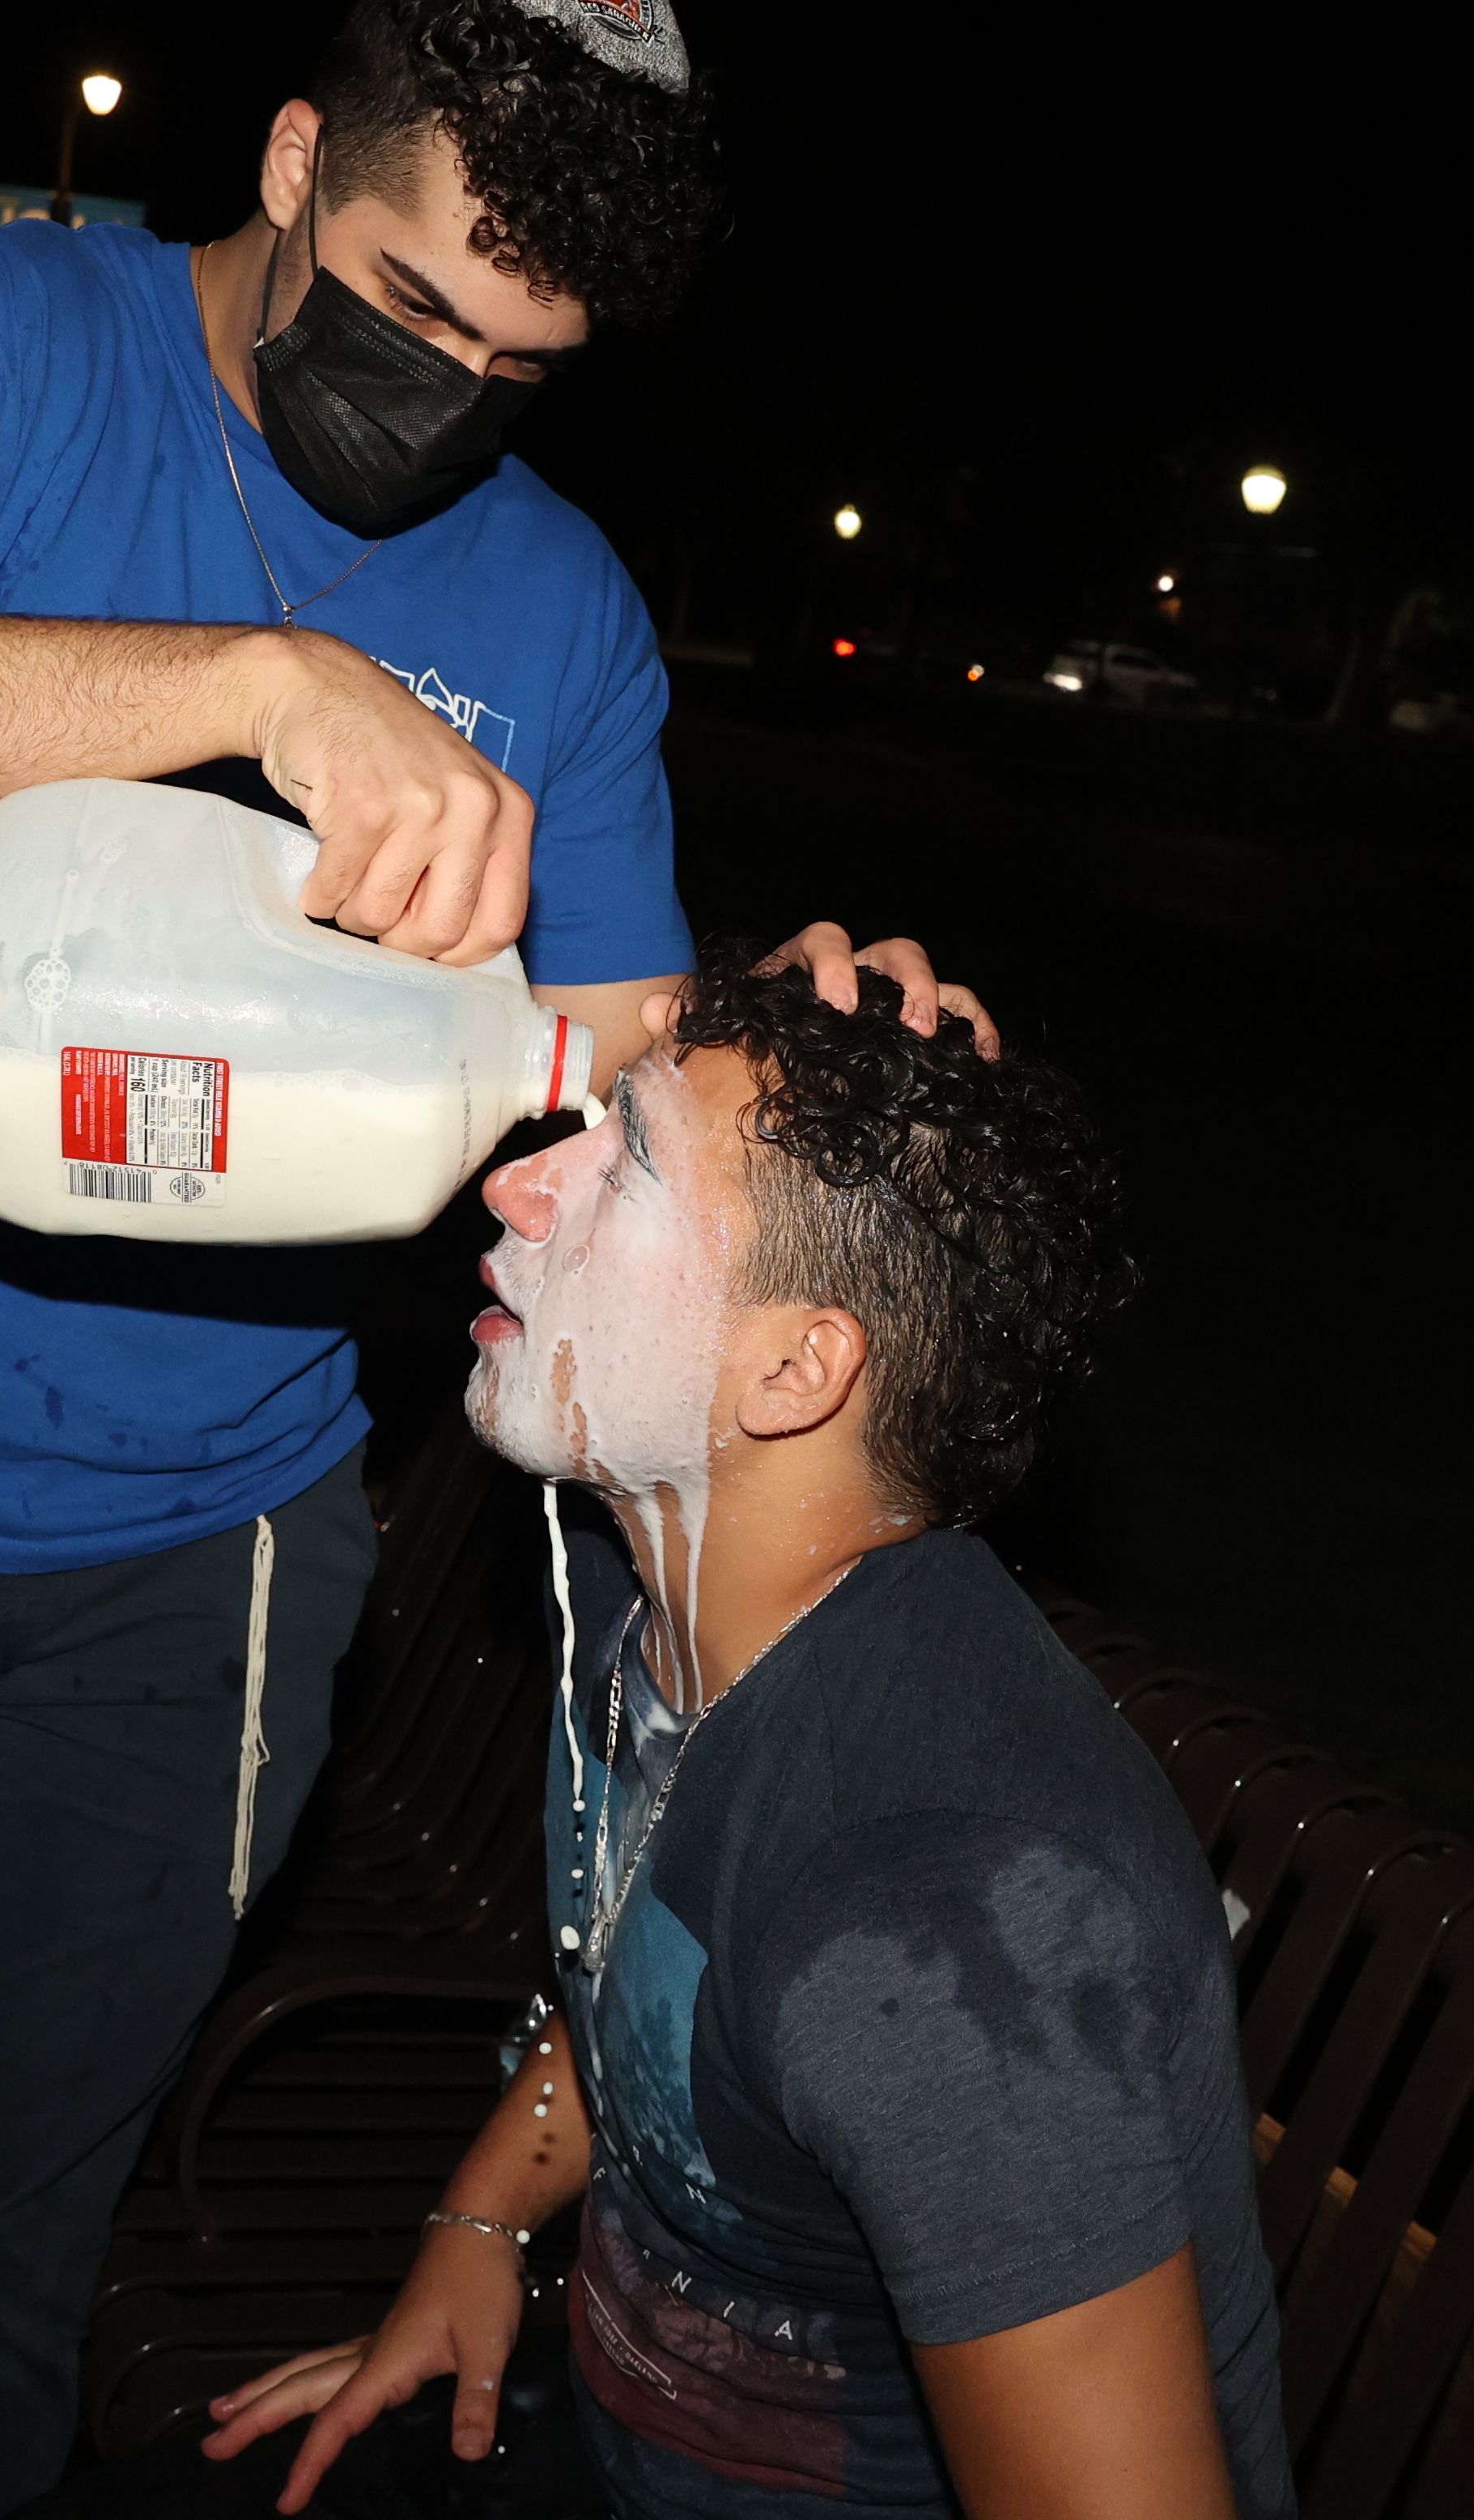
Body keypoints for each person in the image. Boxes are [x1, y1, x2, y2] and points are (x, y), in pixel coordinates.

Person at [0, 0, 976, 2518]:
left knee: (2, 2274)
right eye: (406, 305)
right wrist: (252, 689)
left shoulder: (561, 611)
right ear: (288, 160)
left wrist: (788, 1027)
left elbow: (593, 1070)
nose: (449, 403)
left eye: (525, 372)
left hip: (203, 1580)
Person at [194, 945, 1289, 2520]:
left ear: (793, 1370)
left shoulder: (942, 1929)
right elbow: (633, 1975)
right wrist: (480, 2229)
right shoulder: (644, 1587)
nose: (518, 1193)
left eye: (622, 1157)